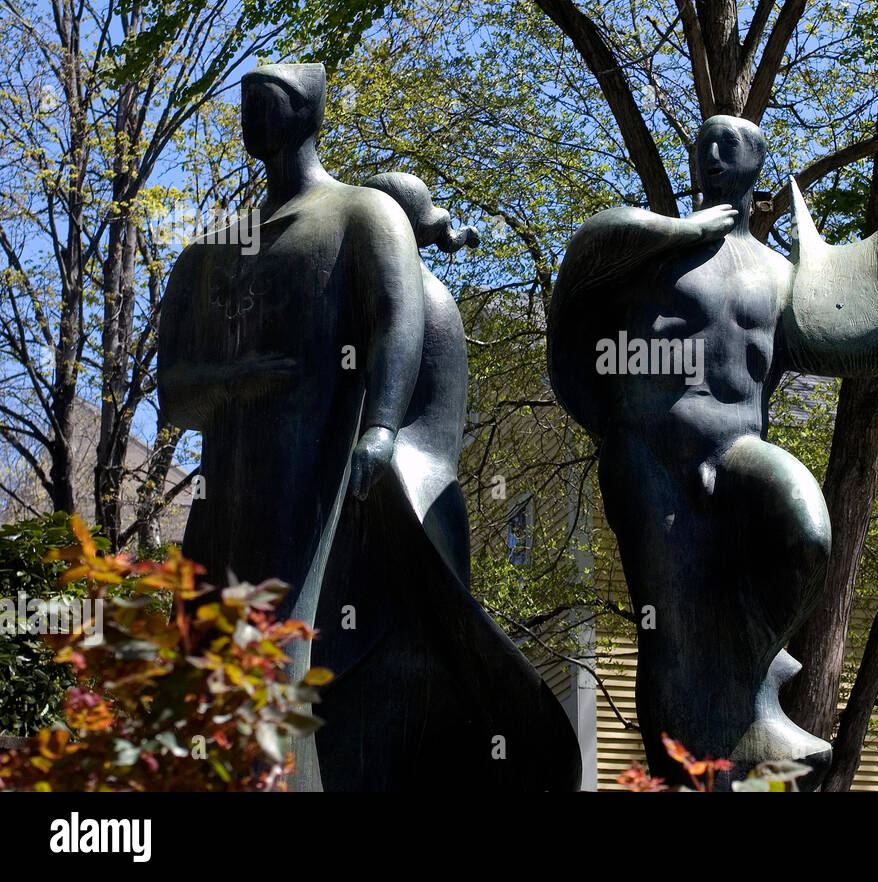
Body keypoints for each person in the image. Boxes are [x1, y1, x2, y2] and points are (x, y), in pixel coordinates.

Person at [159, 63, 579, 791]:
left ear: (310, 113)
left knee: (287, 682)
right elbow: (175, 393)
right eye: (245, 102)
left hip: (322, 493)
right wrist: (240, 380)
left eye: (271, 101)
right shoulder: (209, 255)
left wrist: (381, 428)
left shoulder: (360, 214)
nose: (251, 114)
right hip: (229, 509)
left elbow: (398, 321)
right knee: (219, 693)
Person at [547, 114, 878, 787]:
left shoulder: (780, 276)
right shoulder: (653, 253)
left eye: (730, 145)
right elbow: (585, 267)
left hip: (738, 446)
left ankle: (748, 693)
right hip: (651, 457)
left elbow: (865, 339)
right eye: (702, 145)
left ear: (757, 162)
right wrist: (680, 233)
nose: (712, 155)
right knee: (672, 631)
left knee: (807, 534)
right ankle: (688, 772)